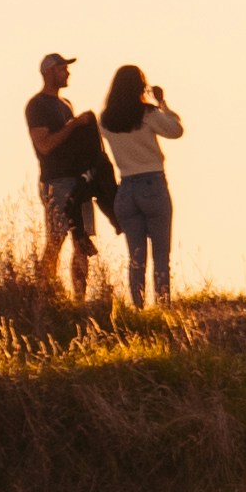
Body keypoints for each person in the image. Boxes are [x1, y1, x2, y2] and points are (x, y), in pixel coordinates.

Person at [98, 63, 184, 309]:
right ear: (140, 86)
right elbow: (176, 131)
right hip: (152, 183)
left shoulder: (105, 119)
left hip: (125, 187)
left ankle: (137, 307)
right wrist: (162, 104)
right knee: (160, 254)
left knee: (136, 258)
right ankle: (163, 305)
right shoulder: (148, 114)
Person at [23, 50, 107, 299]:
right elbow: (45, 145)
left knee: (82, 242)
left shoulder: (65, 104)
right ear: (49, 72)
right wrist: (73, 126)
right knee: (56, 239)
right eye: (62, 68)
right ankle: (44, 293)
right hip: (56, 181)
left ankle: (79, 300)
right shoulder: (37, 105)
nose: (67, 72)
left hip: (78, 182)